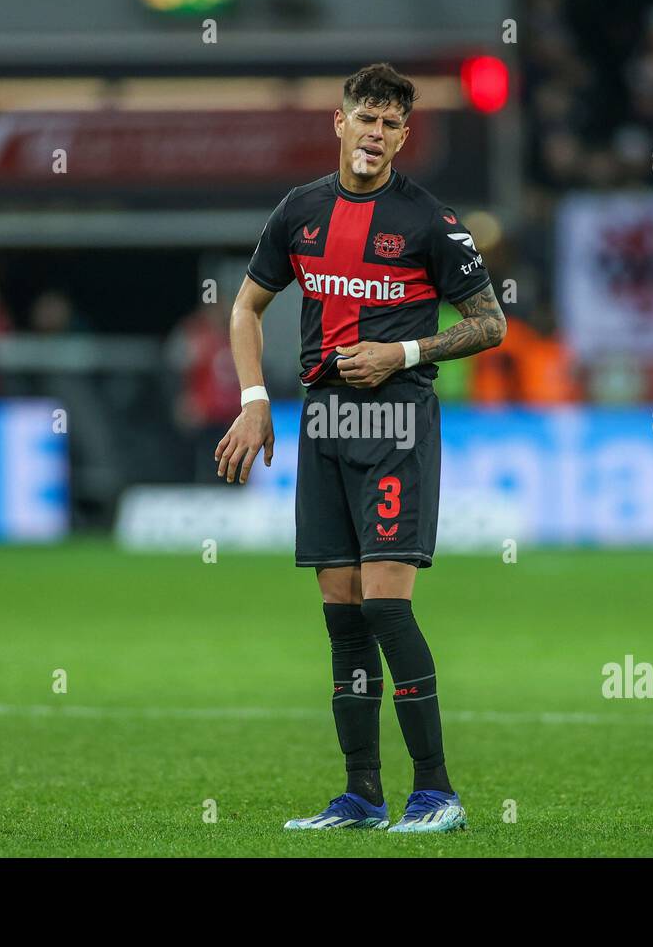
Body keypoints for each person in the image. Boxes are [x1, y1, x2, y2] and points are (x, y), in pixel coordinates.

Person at [214, 63, 505, 833]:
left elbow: (490, 323)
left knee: (385, 604)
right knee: (342, 617)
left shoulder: (430, 222)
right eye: (363, 118)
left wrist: (403, 354)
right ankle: (362, 797)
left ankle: (437, 793)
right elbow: (246, 308)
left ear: (404, 136)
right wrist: (253, 402)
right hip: (323, 422)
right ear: (338, 123)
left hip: (396, 423)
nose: (374, 133)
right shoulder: (300, 210)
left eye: (389, 123)